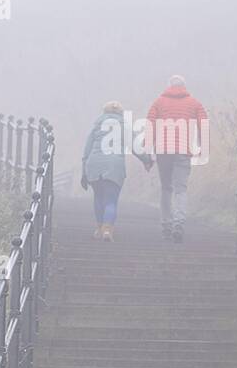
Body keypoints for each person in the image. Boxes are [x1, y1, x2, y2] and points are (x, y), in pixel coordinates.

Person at [146, 75, 209, 243]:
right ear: (184, 86)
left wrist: (148, 150)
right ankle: (178, 223)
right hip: (182, 150)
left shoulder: (159, 102)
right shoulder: (194, 103)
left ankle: (166, 225)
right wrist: (203, 146)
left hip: (163, 151)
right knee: (180, 189)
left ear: (169, 86)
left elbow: (150, 124)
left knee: (166, 188)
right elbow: (204, 123)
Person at [81, 100, 152, 240]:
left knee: (98, 197)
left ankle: (99, 228)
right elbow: (136, 147)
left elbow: (86, 150)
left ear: (104, 112)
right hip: (114, 167)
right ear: (121, 113)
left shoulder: (96, 125)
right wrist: (147, 160)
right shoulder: (125, 126)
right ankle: (107, 230)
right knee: (111, 200)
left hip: (94, 165)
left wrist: (84, 173)